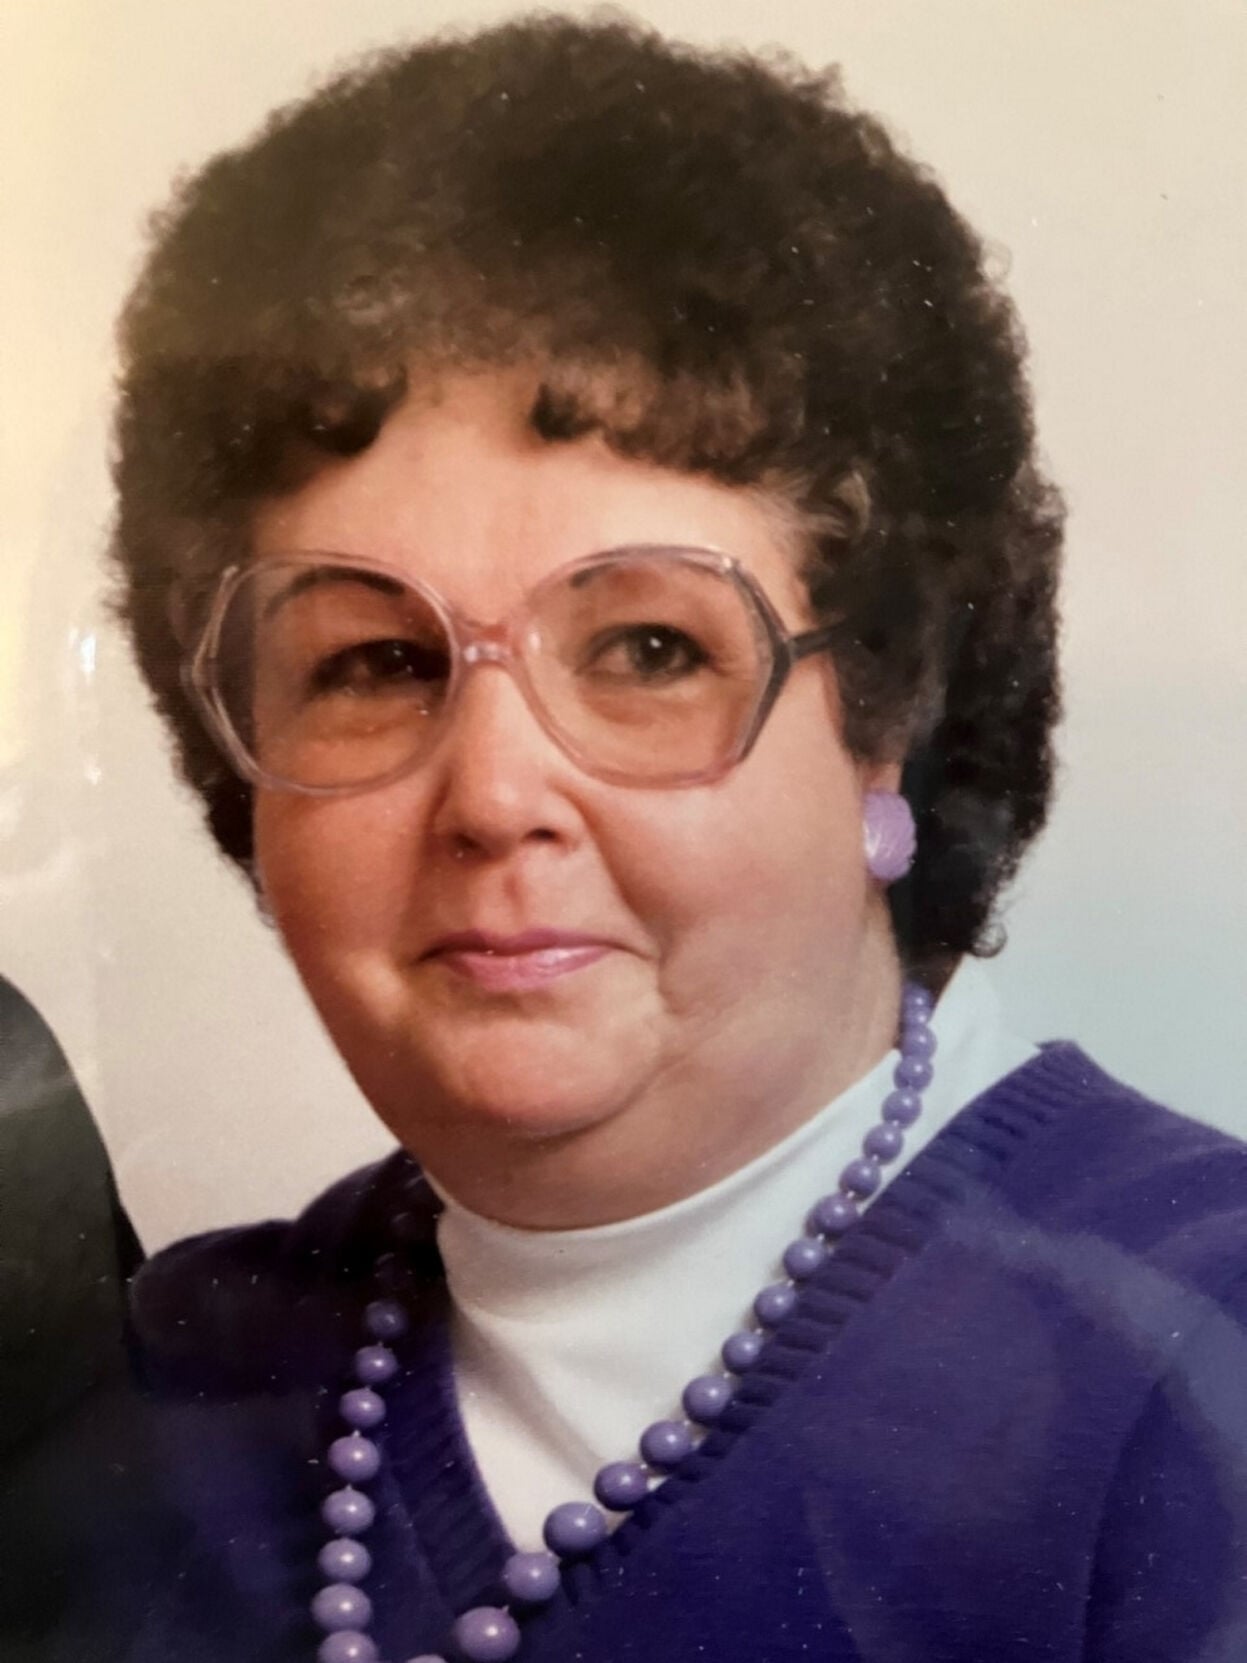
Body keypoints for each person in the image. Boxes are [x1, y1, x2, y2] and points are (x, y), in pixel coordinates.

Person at [105, 14, 1247, 1662]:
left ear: (889, 718)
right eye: (375, 664)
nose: (494, 796)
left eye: (650, 649)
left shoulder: (1199, 1358)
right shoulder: (151, 1386)